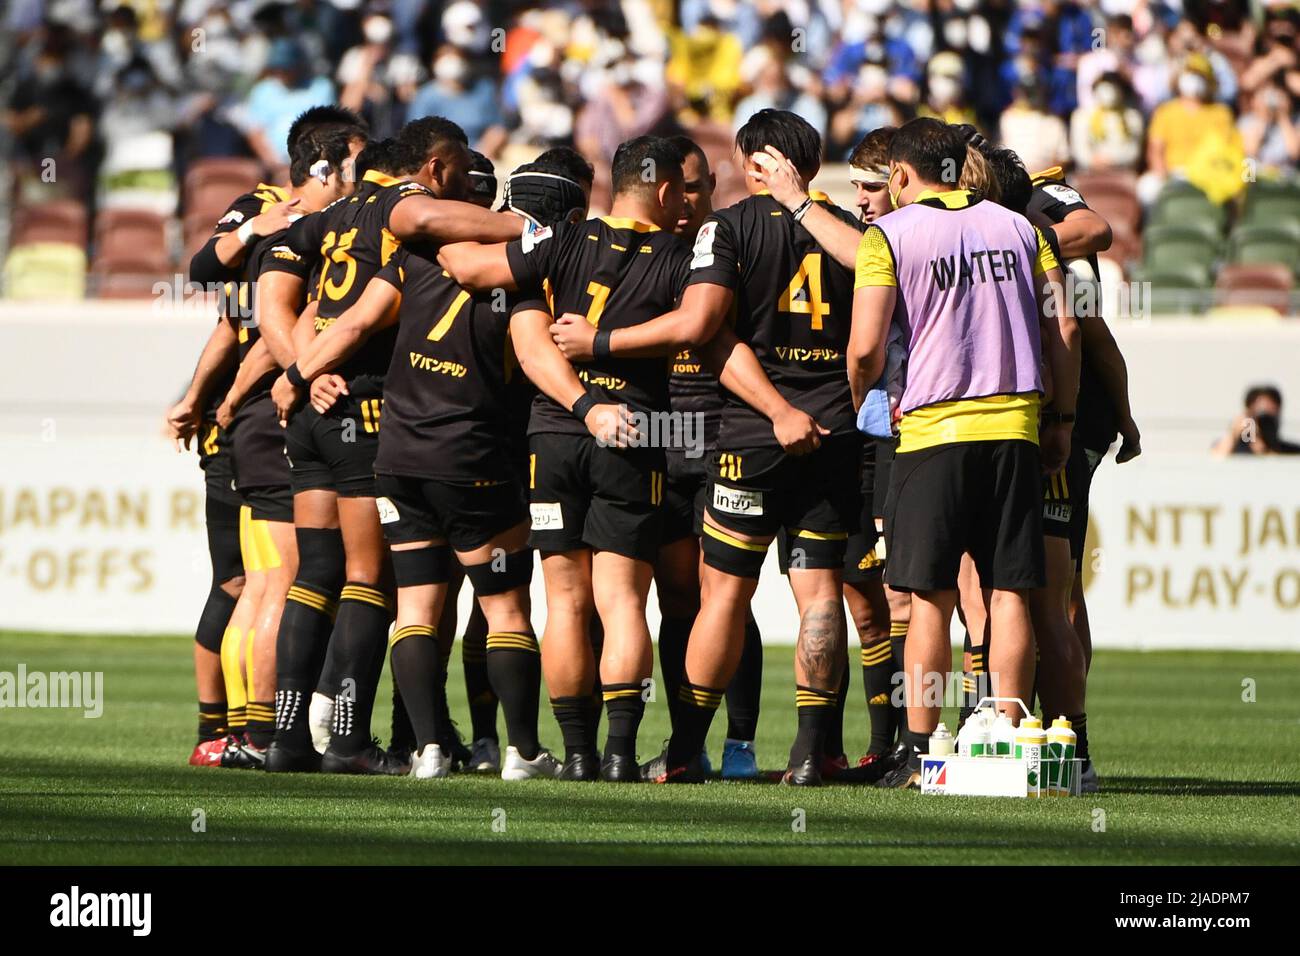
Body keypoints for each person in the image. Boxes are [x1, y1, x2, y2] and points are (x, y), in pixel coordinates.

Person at [554, 110, 864, 787]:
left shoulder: (730, 227)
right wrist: (840, 405)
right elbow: (869, 341)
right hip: (832, 432)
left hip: (747, 436)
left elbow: (707, 333)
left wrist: (777, 407)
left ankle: (690, 748)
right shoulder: (855, 235)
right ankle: (812, 754)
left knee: (719, 597)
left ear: (756, 164)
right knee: (819, 597)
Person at [274, 117, 525, 775]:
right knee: (375, 580)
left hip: (314, 405)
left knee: (317, 574)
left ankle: (286, 734)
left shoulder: (330, 215)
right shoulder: (401, 208)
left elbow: (301, 300)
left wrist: (298, 369)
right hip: (363, 404)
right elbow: (380, 292)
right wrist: (535, 229)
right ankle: (352, 739)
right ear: (436, 168)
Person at [440, 136, 691, 782]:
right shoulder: (680, 255)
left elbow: (471, 269)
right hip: (633, 435)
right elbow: (700, 327)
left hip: (553, 435)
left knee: (564, 602)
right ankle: (618, 756)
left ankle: (575, 755)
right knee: (623, 603)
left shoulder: (561, 241)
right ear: (664, 192)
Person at [850, 118, 1079, 789]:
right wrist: (1059, 420)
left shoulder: (887, 235)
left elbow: (865, 347)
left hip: (932, 435)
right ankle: (1011, 745)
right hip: (1014, 429)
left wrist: (860, 391)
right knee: (1010, 592)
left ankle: (925, 753)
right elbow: (1061, 325)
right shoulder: (1020, 228)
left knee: (930, 599)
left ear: (899, 175)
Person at [181, 106, 368, 768]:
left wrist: (212, 399)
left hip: (250, 418)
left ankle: (236, 733)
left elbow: (232, 325)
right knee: (276, 582)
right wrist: (271, 381)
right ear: (324, 167)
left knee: (258, 582)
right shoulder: (287, 221)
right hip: (274, 417)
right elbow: (230, 297)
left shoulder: (322, 225)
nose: (365, 174)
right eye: (356, 162)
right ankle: (258, 734)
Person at [654, 134, 764, 780]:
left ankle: (741, 743)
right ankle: (684, 742)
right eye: (683, 186)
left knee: (727, 595)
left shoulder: (735, 249)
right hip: (661, 444)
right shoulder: (636, 254)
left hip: (725, 435)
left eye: (702, 186)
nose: (692, 199)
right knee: (678, 601)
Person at [1212, 386, 1300, 456]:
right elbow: (1218, 458)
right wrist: (1235, 432)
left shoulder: (1290, 450)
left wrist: (1262, 447)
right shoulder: (1233, 448)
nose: (1265, 422)